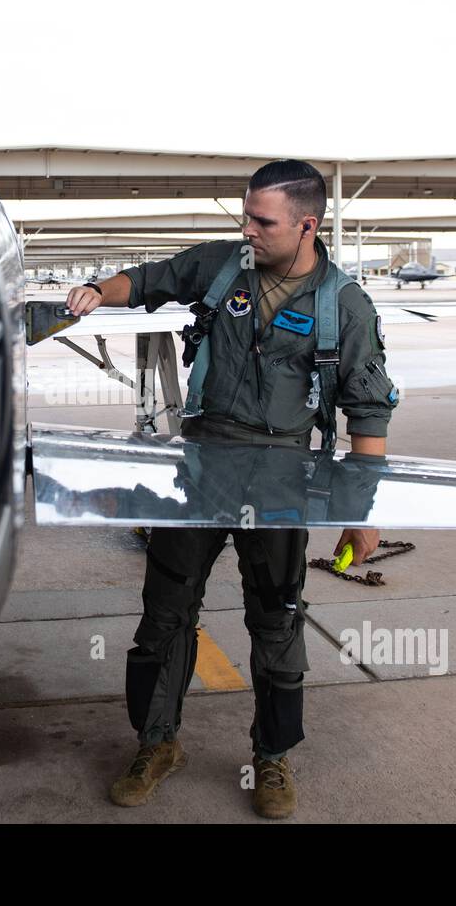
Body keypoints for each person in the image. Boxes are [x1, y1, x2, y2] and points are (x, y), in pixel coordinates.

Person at [64, 160, 398, 819]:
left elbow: (368, 409)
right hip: (201, 466)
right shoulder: (225, 268)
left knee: (275, 623)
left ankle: (271, 757)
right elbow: (155, 278)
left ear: (309, 224)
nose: (248, 229)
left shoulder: (344, 305)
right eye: (245, 215)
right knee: (163, 615)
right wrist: (98, 291)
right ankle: (156, 743)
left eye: (261, 220)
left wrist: (361, 512)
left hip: (278, 476)